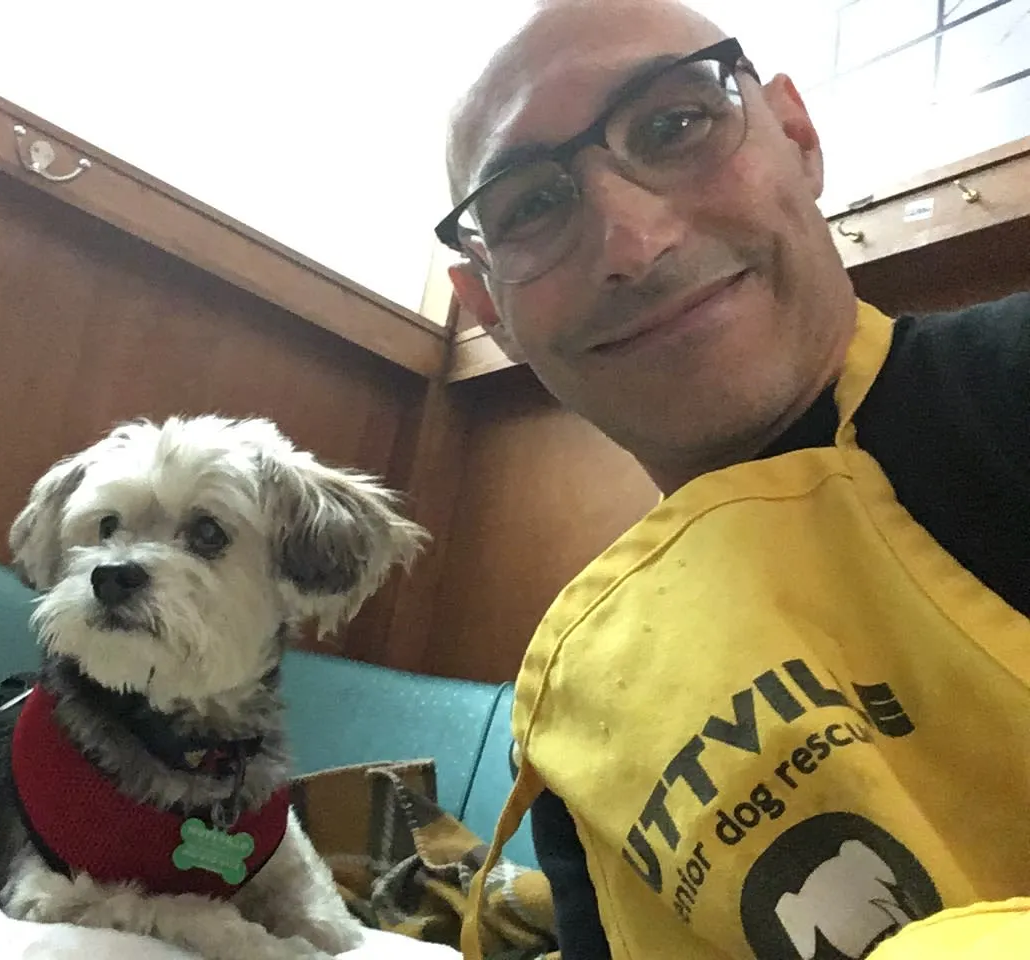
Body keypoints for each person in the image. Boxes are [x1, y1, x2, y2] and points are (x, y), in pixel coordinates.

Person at [435, 1, 1030, 958]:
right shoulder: (580, 723)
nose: (633, 244)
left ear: (798, 136)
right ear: (488, 310)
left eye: (675, 124)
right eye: (532, 206)